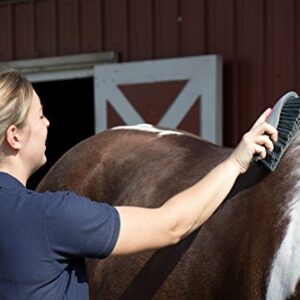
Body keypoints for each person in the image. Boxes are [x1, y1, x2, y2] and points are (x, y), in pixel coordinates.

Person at [0, 67, 277, 299]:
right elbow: (171, 225)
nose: (47, 123)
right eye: (39, 115)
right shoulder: (50, 216)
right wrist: (235, 163)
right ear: (14, 136)